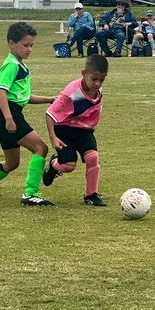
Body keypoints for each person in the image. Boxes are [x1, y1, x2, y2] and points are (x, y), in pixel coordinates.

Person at [0, 21, 55, 206]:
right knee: (41, 148)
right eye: (25, 45)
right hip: (8, 116)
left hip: (5, 116)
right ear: (11, 43)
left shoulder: (19, 65)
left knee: (12, 163)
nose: (29, 49)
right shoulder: (12, 65)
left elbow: (23, 97)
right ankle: (31, 193)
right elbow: (2, 92)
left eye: (31, 45)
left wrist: (49, 99)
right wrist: (9, 118)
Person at [41, 54, 109, 206]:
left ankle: (91, 195)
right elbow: (50, 114)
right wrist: (53, 138)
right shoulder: (71, 92)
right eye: (94, 79)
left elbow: (95, 109)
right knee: (68, 166)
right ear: (84, 74)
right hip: (63, 129)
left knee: (92, 157)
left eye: (101, 80)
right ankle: (53, 165)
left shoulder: (98, 91)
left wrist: (91, 127)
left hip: (83, 130)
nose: (97, 83)